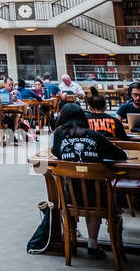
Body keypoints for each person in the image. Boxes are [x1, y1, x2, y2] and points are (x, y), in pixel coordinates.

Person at [50, 102, 127, 258]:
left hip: (69, 198)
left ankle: (71, 239)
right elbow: (120, 156)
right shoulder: (94, 136)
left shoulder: (59, 134)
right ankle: (92, 244)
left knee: (80, 187)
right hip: (98, 199)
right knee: (95, 189)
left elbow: (56, 153)